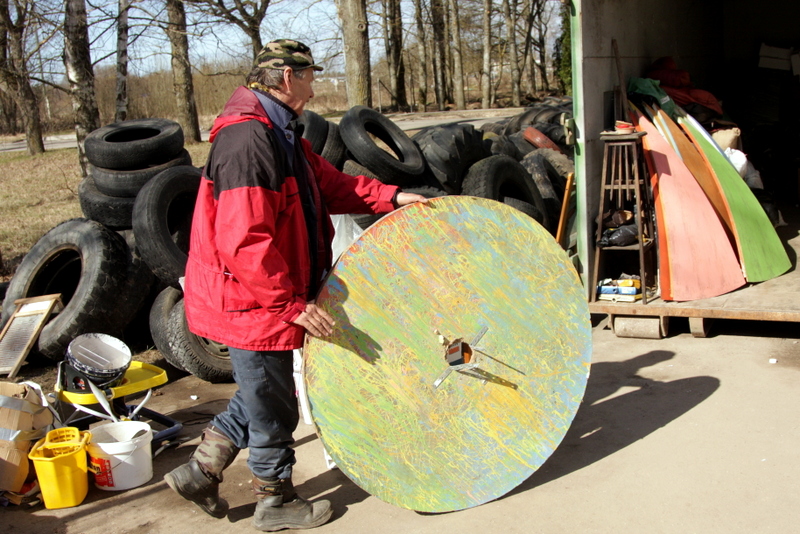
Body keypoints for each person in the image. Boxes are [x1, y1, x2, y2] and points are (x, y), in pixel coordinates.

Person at [163, 39, 428, 531]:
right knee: (273, 405)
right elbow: (244, 238)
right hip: (250, 295)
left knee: (264, 389)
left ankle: (202, 471)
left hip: (260, 290)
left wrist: (392, 197)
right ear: (287, 78)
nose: (314, 83)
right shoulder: (248, 141)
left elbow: (330, 185)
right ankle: (275, 499)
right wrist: (289, 301)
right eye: (309, 75)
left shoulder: (279, 132)